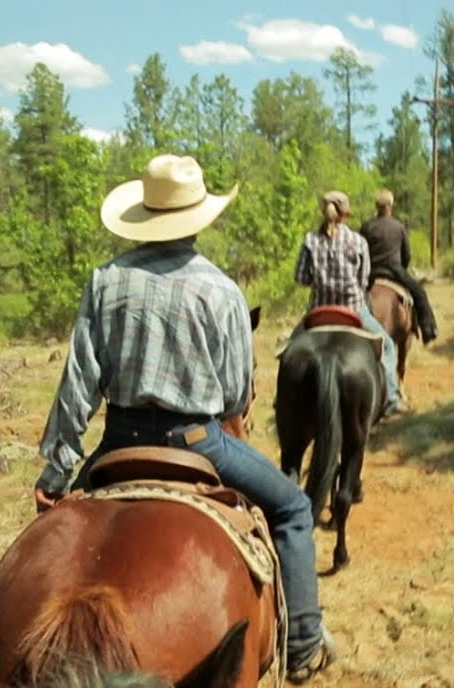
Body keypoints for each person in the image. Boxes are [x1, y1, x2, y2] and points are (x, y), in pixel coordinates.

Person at [32, 154, 335, 685]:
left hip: (117, 441)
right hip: (200, 441)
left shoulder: (105, 280)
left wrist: (57, 473)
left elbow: (78, 383)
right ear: (199, 218)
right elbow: (236, 394)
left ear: (145, 215)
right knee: (293, 507)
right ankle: (305, 640)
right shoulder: (222, 290)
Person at [292, 190, 407, 416]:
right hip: (353, 310)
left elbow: (301, 277)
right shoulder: (358, 241)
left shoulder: (310, 240)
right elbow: (363, 280)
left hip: (318, 311)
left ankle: (284, 398)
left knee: (290, 349)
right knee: (386, 345)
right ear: (345, 214)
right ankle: (392, 399)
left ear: (323, 212)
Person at [359, 189, 439, 345]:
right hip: (394, 270)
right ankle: (428, 329)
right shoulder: (399, 227)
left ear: (376, 206)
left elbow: (360, 253)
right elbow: (407, 255)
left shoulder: (367, 226)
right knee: (419, 292)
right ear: (390, 205)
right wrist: (403, 268)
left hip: (371, 272)